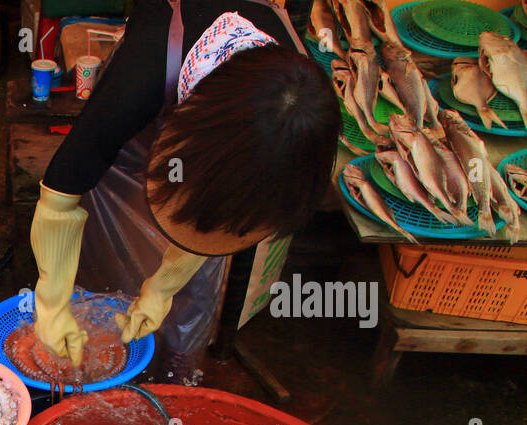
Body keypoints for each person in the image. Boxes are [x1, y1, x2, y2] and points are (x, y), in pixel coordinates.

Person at [29, 0, 340, 381]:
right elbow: (63, 191)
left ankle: (176, 364)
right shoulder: (139, 77)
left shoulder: (302, 112)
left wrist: (163, 287)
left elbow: (215, 221)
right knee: (106, 245)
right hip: (153, 93)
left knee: (198, 284)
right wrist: (53, 301)